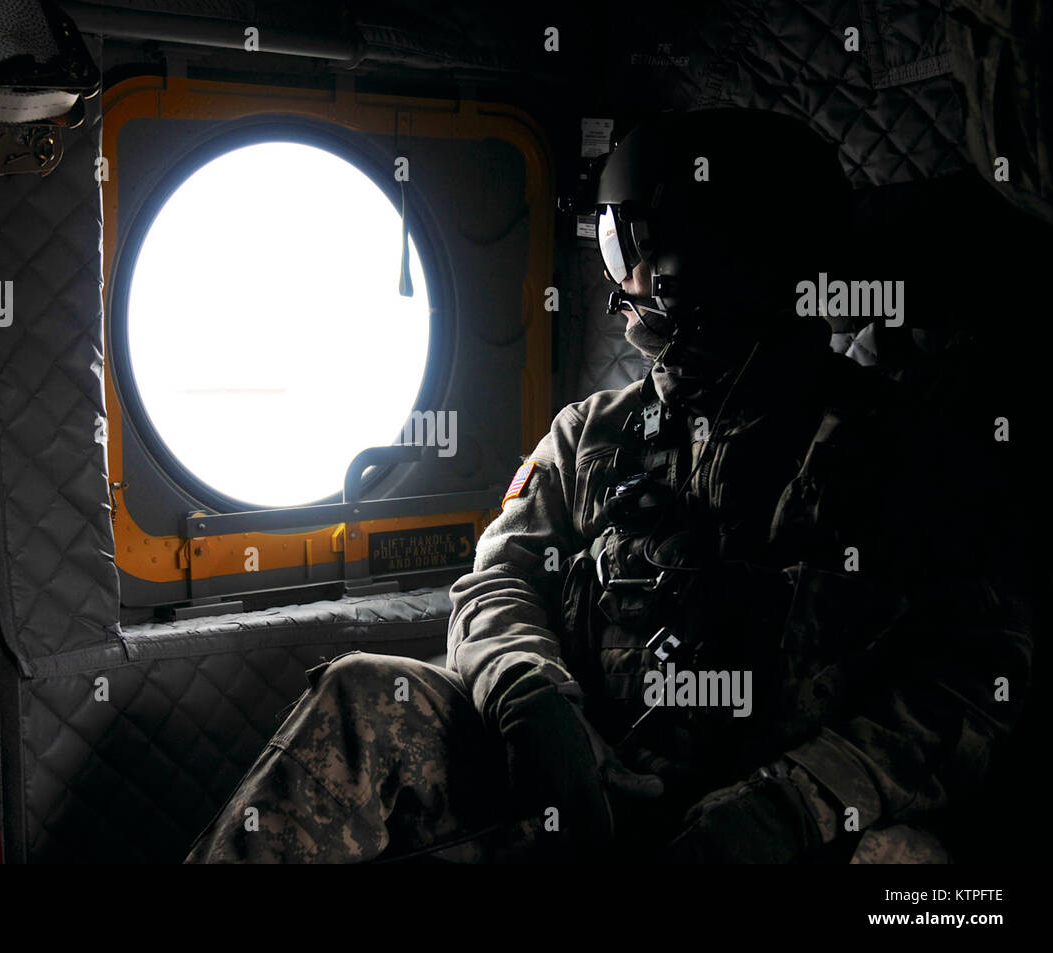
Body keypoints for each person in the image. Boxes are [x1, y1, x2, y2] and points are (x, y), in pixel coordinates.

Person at [185, 109, 1032, 864]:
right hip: (589, 788)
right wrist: (530, 700)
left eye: (629, 246)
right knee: (364, 689)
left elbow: (974, 682)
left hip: (784, 823)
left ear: (710, 263)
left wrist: (793, 803)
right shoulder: (592, 433)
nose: (615, 277)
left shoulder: (914, 456)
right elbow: (498, 580)